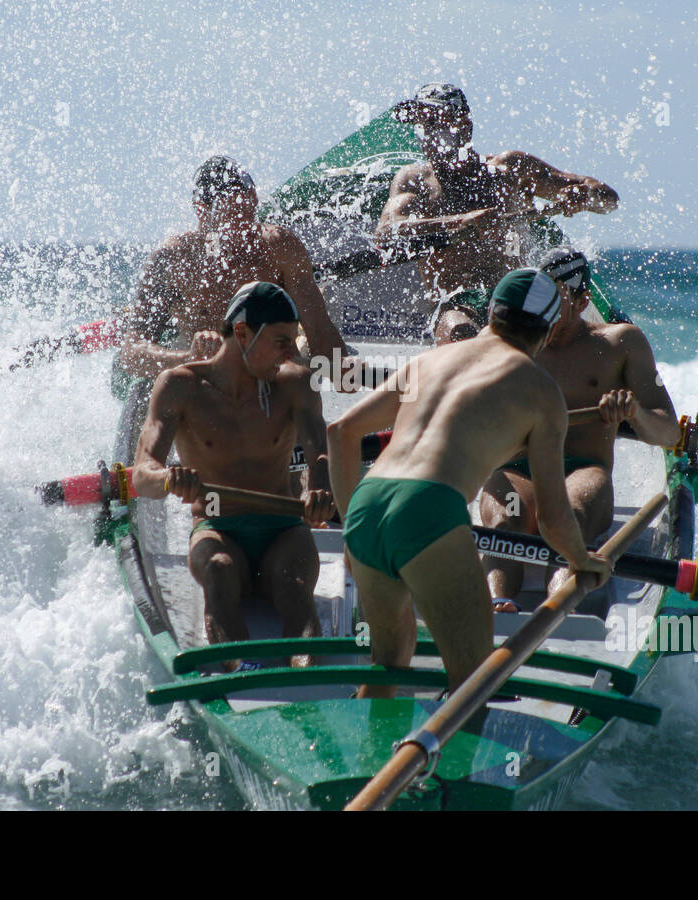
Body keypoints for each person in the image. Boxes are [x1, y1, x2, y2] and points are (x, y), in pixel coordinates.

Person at [327, 269, 612, 698]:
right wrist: (583, 560)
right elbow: (554, 517)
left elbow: (341, 432)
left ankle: (370, 760)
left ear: (492, 314)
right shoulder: (540, 390)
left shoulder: (427, 361)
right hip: (428, 507)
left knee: (387, 667)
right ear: (550, 327)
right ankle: (456, 767)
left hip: (368, 503)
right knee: (474, 683)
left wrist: (351, 526)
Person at [132, 282, 335, 668]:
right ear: (241, 333)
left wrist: (321, 490)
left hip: (284, 529)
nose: (291, 352)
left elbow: (319, 451)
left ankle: (305, 680)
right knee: (219, 572)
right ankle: (242, 677)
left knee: (294, 589)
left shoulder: (297, 383)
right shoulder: (180, 386)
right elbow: (143, 474)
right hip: (216, 526)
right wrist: (168, 479)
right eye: (280, 341)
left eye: (292, 341)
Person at [479, 248, 681, 612]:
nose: (542, 315)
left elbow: (669, 432)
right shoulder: (506, 336)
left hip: (581, 468)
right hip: (517, 469)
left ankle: (556, 608)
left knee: (568, 519)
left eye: (555, 302)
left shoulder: (622, 343)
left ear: (583, 299)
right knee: (506, 522)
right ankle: (498, 604)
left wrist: (633, 412)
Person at [374, 83, 619, 344]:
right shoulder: (415, 179)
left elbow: (609, 200)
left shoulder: (510, 168)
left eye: (435, 122)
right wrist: (463, 220)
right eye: (422, 125)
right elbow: (386, 232)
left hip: (518, 300)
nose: (427, 133)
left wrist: (583, 195)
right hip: (456, 304)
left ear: (464, 126)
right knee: (460, 332)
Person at [120, 156, 354, 379]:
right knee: (159, 384)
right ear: (201, 210)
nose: (247, 229)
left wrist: (342, 370)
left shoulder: (281, 248)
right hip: (203, 367)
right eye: (234, 216)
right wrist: (189, 357)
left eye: (250, 211)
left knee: (298, 375)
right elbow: (131, 353)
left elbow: (320, 331)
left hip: (272, 365)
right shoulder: (174, 258)